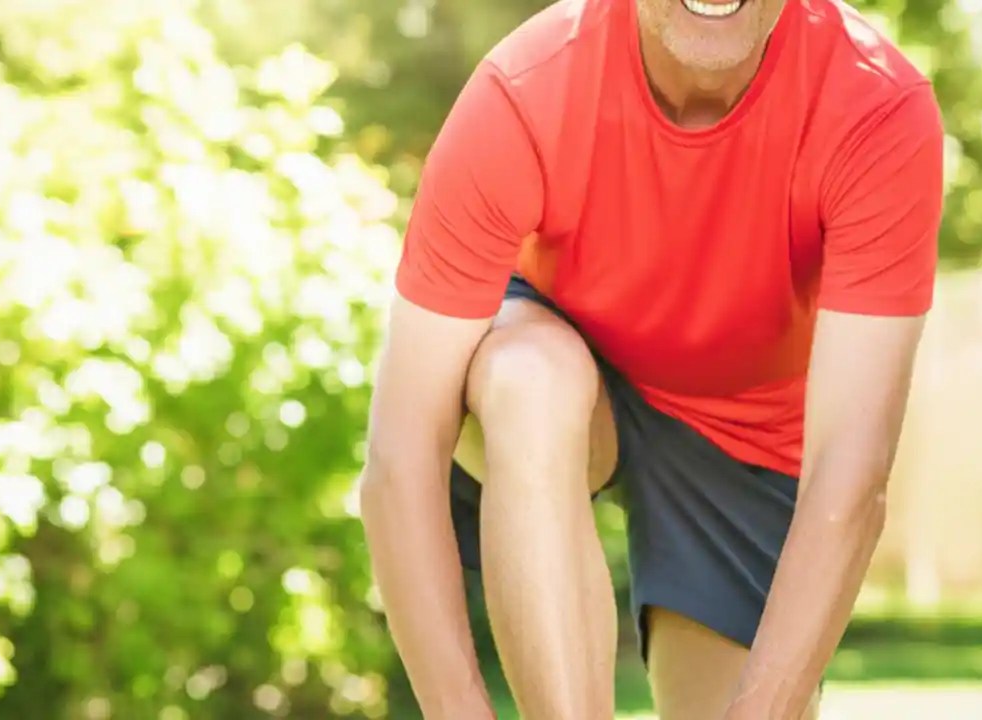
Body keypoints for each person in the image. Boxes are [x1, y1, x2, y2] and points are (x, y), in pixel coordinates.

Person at [358, 0, 943, 717]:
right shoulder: (526, 88)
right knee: (529, 382)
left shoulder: (876, 106)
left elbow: (850, 473)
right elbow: (401, 453)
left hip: (749, 437)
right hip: (563, 362)